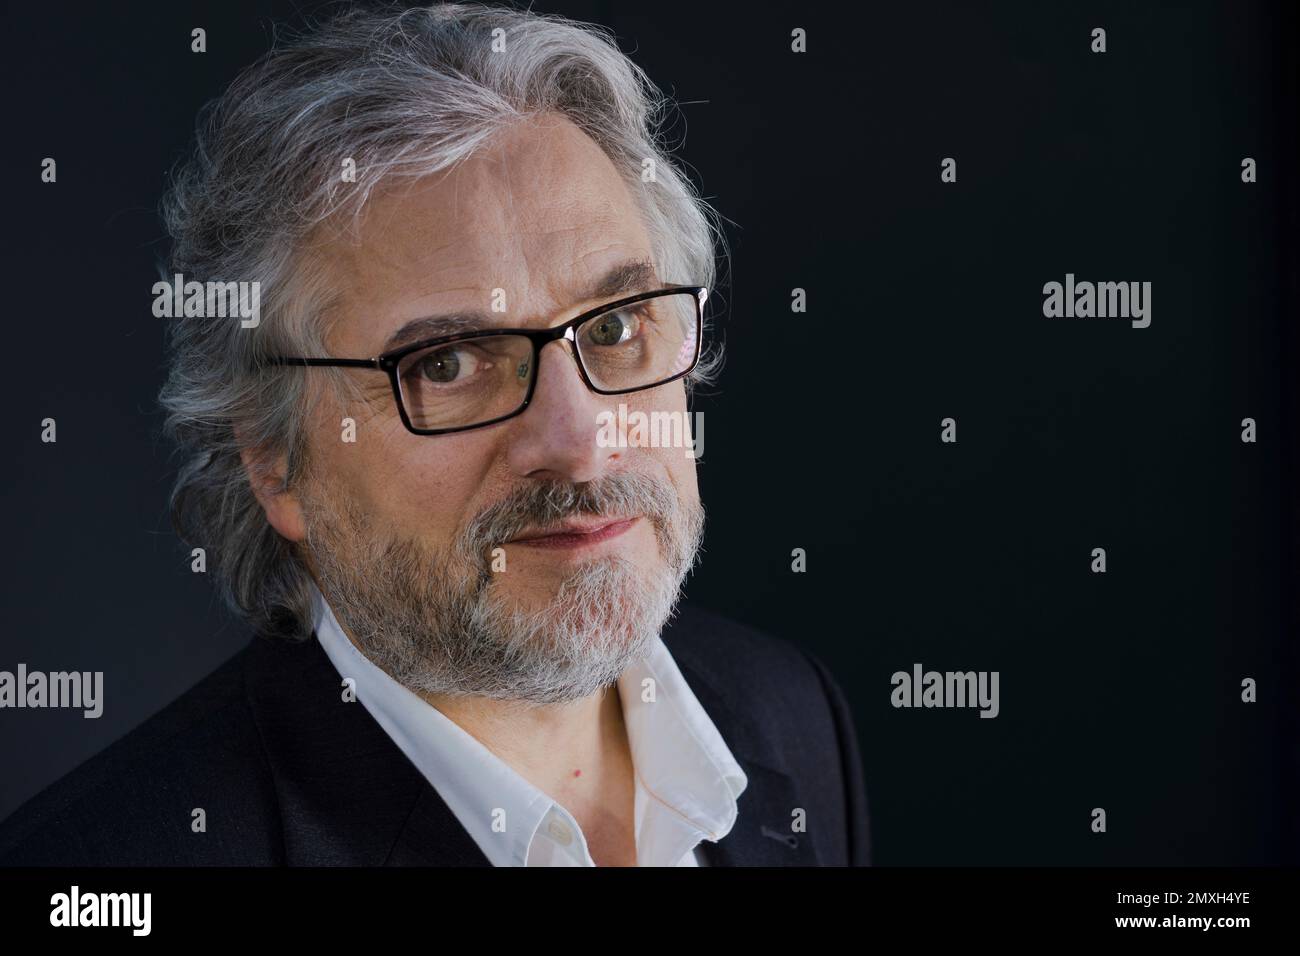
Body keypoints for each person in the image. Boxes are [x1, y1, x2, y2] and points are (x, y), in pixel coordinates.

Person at [0, 2, 868, 867]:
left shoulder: (787, 715)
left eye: (613, 327)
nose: (579, 442)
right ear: (273, 460)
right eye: (447, 365)